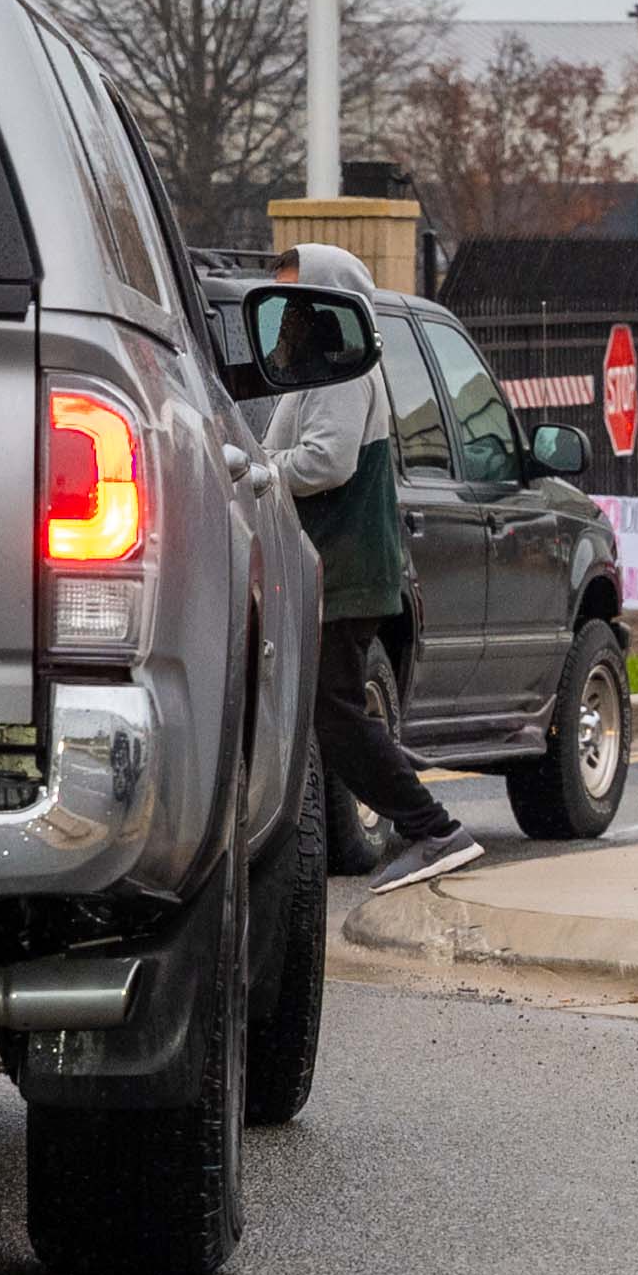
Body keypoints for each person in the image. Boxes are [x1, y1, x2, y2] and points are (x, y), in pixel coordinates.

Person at [263, 243, 484, 897]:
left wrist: (258, 472)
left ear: (327, 301)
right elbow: (286, 448)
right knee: (328, 711)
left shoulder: (340, 370)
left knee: (334, 712)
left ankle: (434, 829)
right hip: (327, 567)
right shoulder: (316, 369)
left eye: (294, 299)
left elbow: (325, 461)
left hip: (345, 567)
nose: (283, 314)